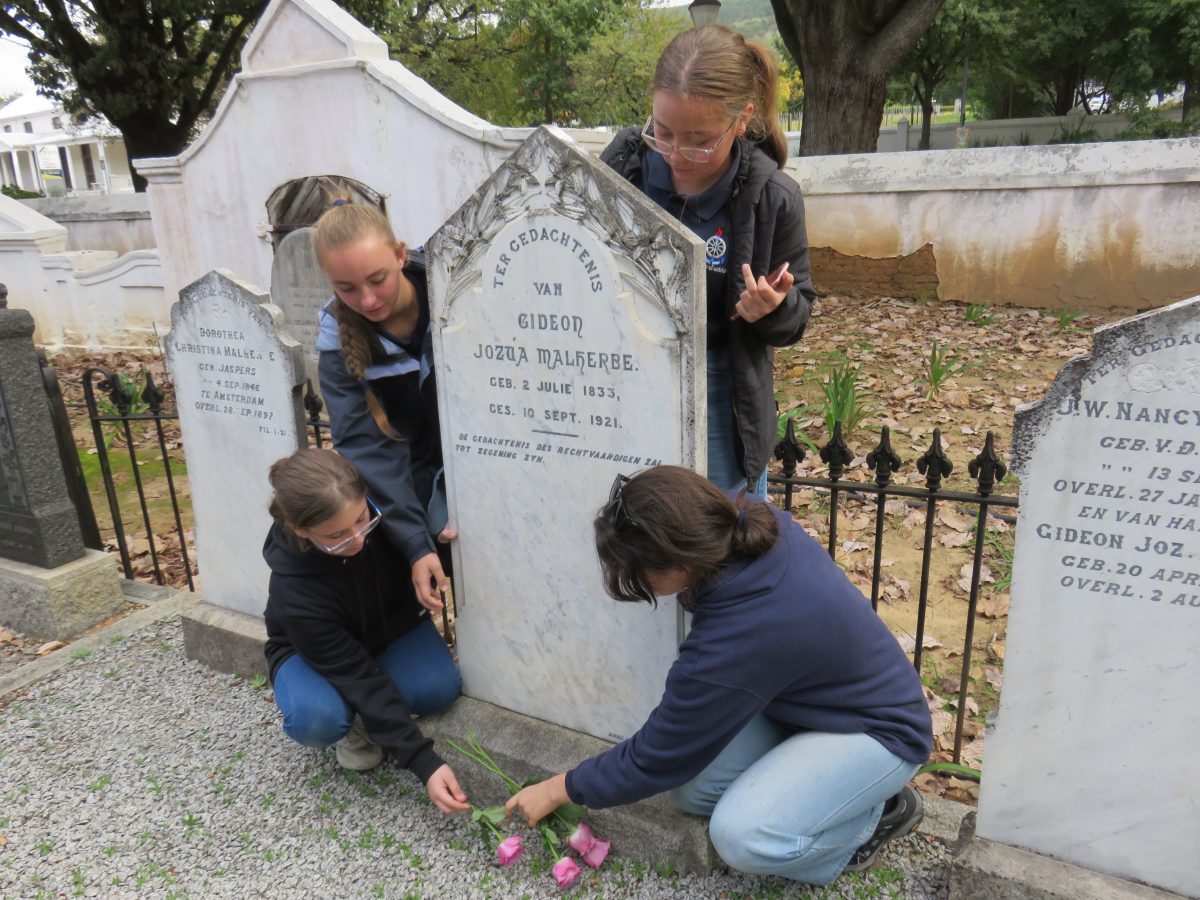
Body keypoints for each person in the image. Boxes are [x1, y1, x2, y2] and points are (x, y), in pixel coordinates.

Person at [505, 466, 933, 883]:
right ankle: (823, 792)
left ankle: (872, 817)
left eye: (639, 574)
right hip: (807, 708)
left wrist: (559, 788)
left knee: (742, 838)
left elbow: (656, 755)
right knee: (694, 792)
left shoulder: (738, 634)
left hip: (877, 732)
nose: (635, 581)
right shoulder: (733, 520)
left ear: (679, 565)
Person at [600, 26, 818, 495]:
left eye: (698, 140)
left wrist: (774, 310)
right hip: (625, 378)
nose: (677, 154)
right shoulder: (623, 169)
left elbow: (798, 307)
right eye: (663, 132)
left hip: (722, 392)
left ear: (742, 120)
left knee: (719, 539)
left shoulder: (774, 197)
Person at [263, 448, 468, 813]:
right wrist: (426, 764)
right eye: (337, 536)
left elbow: (423, 541)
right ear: (299, 529)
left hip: (390, 628)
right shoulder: (294, 592)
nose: (358, 540)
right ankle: (353, 721)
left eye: (362, 520)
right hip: (312, 654)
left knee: (438, 688)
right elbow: (357, 676)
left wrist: (434, 544)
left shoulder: (385, 510)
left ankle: (376, 714)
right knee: (317, 719)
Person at [312, 196, 453, 612]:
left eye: (378, 279)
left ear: (400, 253)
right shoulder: (338, 347)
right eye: (347, 288)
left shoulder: (456, 291)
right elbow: (366, 447)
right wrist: (416, 541)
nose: (369, 300)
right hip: (414, 494)